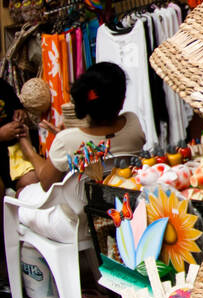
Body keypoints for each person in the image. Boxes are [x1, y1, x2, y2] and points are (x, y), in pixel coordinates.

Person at [16, 62, 145, 198]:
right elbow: (103, 142)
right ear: (122, 101)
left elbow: (46, 184)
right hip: (120, 203)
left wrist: (28, 150)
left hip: (76, 214)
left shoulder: (66, 141)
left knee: (20, 192)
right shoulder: (133, 123)